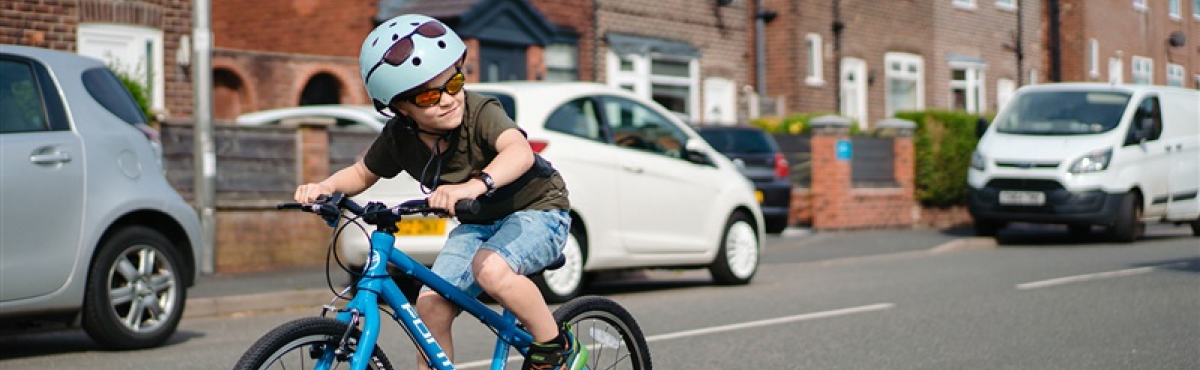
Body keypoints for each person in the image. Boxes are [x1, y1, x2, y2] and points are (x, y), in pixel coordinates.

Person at [292, 14, 586, 370]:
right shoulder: (399, 138)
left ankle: (554, 346)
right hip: (479, 223)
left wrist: (475, 186)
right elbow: (362, 172)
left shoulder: (481, 112)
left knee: (490, 270)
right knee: (431, 303)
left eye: (454, 83)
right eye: (430, 96)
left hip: (538, 210)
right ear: (401, 107)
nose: (448, 99)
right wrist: (325, 187)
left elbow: (519, 151)